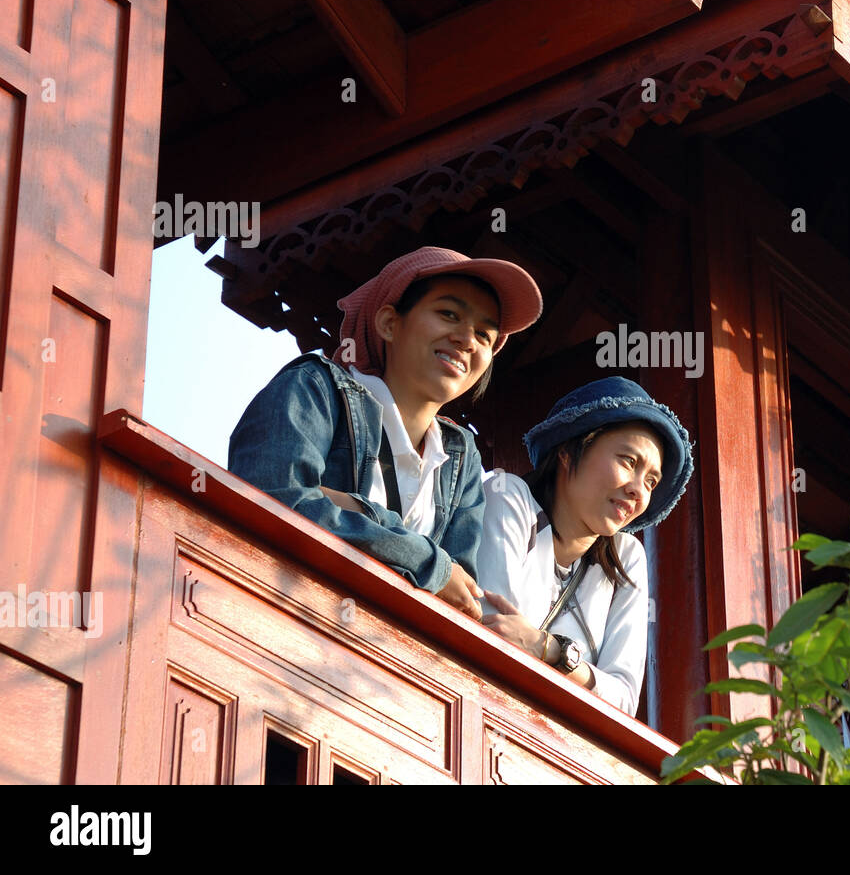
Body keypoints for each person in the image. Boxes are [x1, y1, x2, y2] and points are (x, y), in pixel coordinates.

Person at [228, 246, 542, 620]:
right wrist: (427, 560)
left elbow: (462, 596)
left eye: (485, 335)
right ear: (389, 323)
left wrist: (354, 508)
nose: (467, 339)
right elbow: (270, 502)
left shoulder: (462, 455)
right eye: (448, 314)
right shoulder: (316, 389)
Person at [476, 377, 694, 715]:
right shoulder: (509, 496)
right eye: (628, 461)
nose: (639, 489)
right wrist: (585, 675)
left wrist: (547, 649)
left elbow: (623, 699)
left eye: (651, 480)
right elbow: (494, 631)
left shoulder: (627, 556)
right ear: (567, 450)